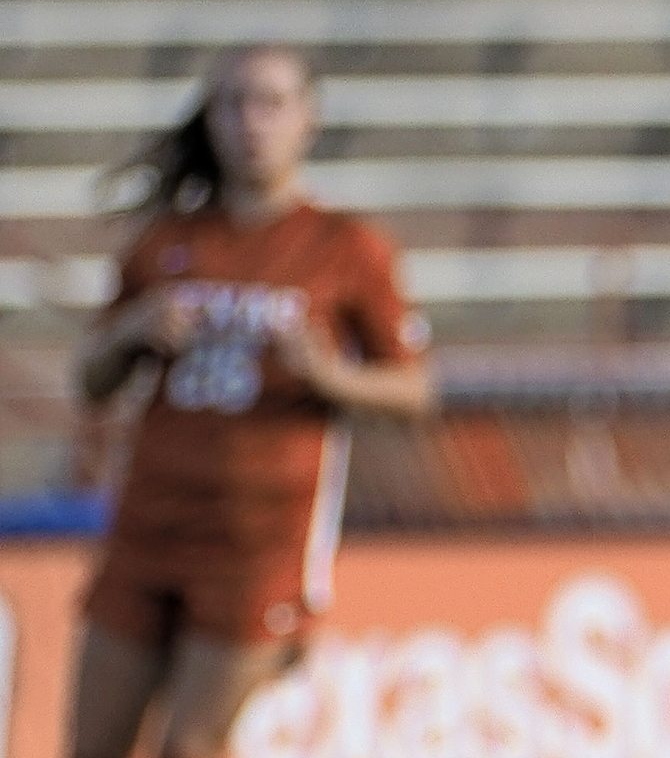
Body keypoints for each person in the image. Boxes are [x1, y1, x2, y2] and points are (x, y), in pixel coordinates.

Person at [70, 46, 434, 758]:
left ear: (308, 118)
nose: (251, 123)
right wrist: (134, 329)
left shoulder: (346, 246)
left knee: (192, 746)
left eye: (271, 103)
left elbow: (415, 392)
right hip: (148, 526)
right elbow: (92, 380)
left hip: (258, 542)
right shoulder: (167, 244)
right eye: (233, 103)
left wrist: (328, 374)